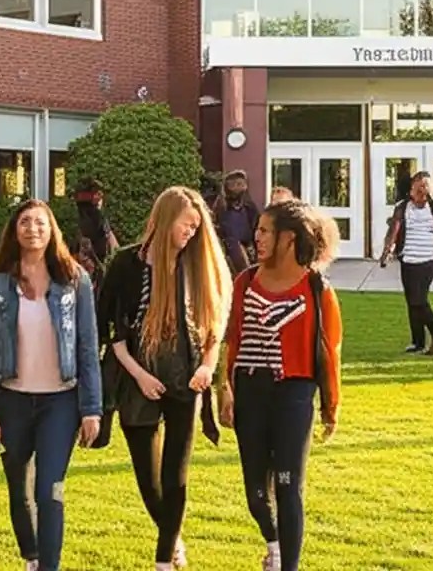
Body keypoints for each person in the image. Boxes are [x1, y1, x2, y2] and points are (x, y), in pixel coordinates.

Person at [100, 186, 232, 570]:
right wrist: (140, 376)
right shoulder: (127, 265)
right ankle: (172, 537)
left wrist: (208, 367)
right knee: (150, 481)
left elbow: (213, 327)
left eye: (195, 226)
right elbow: (111, 332)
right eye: (185, 225)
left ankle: (163, 560)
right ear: (163, 219)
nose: (190, 233)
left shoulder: (196, 266)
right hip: (136, 376)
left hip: (184, 380)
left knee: (177, 475)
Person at [219, 200, 343, 571]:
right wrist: (225, 387)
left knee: (289, 488)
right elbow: (234, 341)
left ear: (288, 238)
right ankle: (273, 545)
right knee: (257, 495)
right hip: (250, 393)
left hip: (294, 393)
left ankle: (288, 565)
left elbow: (330, 351)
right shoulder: (244, 282)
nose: (255, 238)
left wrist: (330, 406)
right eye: (256, 231)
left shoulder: (317, 287)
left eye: (264, 231)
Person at [0, 199, 103, 571]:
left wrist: (91, 408)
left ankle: (49, 566)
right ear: (14, 231)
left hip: (60, 403)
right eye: (25, 222)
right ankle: (31, 557)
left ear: (52, 230)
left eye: (40, 222)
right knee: (18, 487)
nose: (32, 229)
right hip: (12, 399)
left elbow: (87, 343)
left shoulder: (74, 280)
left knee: (50, 490)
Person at [380, 171, 433, 356]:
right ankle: (417, 342)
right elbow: (394, 230)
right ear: (411, 190)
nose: (422, 190)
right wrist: (387, 252)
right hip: (408, 258)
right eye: (419, 187)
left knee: (418, 299)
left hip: (428, 260)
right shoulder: (403, 208)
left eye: (426, 186)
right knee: (412, 301)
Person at [73, 178, 118, 294]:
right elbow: (114, 247)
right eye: (98, 194)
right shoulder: (98, 218)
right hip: (94, 273)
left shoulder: (77, 218)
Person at [213, 170, 261, 277]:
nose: (238, 188)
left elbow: (257, 226)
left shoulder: (249, 206)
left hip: (249, 249)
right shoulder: (221, 207)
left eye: (241, 184)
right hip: (228, 252)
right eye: (233, 185)